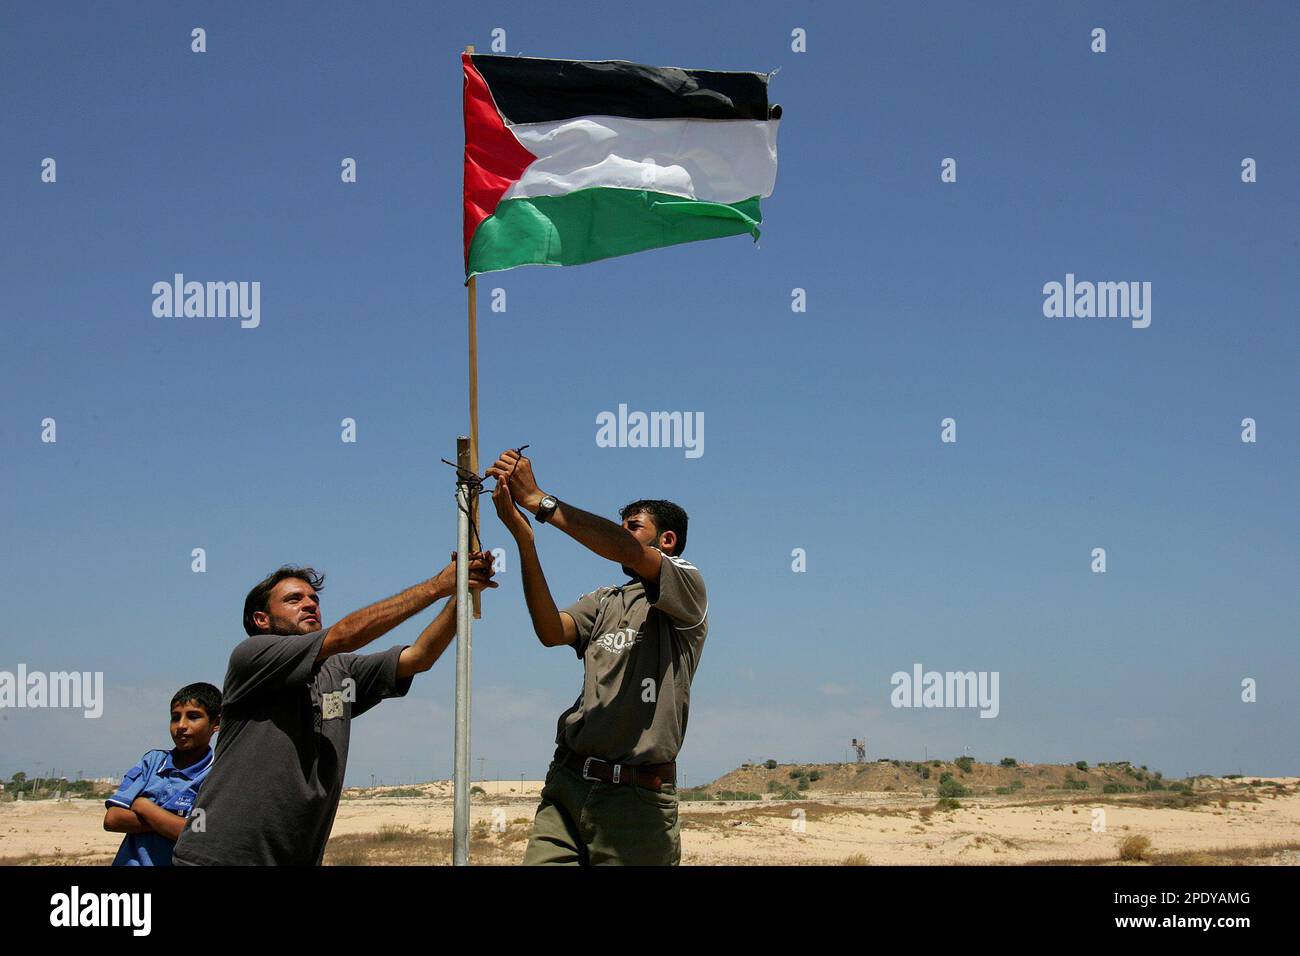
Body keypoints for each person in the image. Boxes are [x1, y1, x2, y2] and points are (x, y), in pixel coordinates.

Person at [172, 554, 495, 866]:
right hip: (222, 856)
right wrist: (436, 586)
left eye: (313, 598)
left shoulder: (340, 670)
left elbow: (420, 657)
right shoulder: (252, 656)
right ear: (262, 619)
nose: (310, 604)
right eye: (294, 599)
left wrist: (462, 591)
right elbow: (344, 635)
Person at [487, 448, 707, 866]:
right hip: (568, 783)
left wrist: (540, 501)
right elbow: (551, 631)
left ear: (667, 540)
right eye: (621, 526)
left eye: (633, 527)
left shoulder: (686, 588)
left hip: (636, 799)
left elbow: (625, 550)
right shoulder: (606, 600)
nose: (623, 533)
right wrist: (525, 540)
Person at [104, 682, 222, 866]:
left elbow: (198, 834)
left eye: (193, 717)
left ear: (216, 723)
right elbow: (113, 819)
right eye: (175, 717)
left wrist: (144, 806)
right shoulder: (152, 762)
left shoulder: (216, 775)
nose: (181, 725)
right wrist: (174, 822)